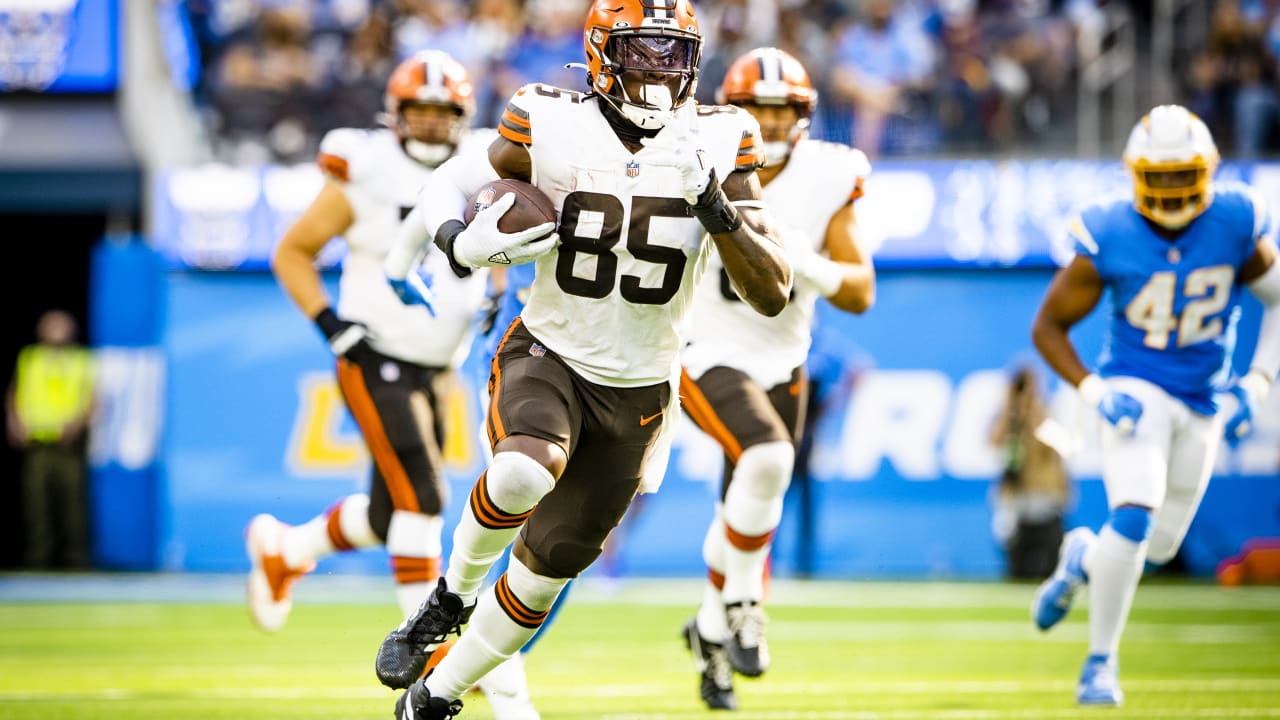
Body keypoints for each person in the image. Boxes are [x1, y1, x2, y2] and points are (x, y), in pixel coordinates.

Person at [377, 0, 793, 715]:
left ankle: (435, 696)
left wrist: (715, 205)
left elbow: (771, 290)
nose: (661, 69)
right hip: (552, 349)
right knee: (518, 470)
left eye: (674, 51)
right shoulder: (549, 118)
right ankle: (450, 596)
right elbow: (448, 179)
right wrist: (453, 241)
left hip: (642, 386)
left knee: (544, 576)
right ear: (602, 53)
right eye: (643, 50)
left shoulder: (722, 138)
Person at [244, 49, 540, 719]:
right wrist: (332, 325)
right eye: (421, 111)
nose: (433, 125)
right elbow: (292, 252)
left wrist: (496, 290)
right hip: (373, 353)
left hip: (435, 367)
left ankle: (286, 549)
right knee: (426, 500)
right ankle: (427, 657)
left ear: (461, 117)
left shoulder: (482, 167)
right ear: (396, 114)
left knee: (390, 512)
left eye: (444, 113)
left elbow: (501, 242)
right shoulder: (366, 167)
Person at [1029, 103, 1280, 707]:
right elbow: (1049, 327)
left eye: (1181, 175)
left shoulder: (1237, 219)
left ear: (1207, 172)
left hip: (1203, 399)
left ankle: (1086, 556)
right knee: (1135, 515)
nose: (1169, 189)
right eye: (1157, 175)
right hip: (1135, 389)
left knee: (1159, 548)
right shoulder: (1109, 229)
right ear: (1135, 174)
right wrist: (1095, 392)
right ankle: (1100, 664)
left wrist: (1258, 383)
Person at [675, 47, 875, 711]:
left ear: (804, 116)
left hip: (784, 356)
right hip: (704, 345)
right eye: (754, 107)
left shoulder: (830, 173)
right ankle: (743, 605)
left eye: (779, 108)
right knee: (767, 457)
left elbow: (860, 290)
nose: (766, 119)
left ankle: (709, 636)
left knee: (746, 503)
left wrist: (802, 262)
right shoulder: (695, 148)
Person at [5, 309, 96, 569]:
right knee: (37, 505)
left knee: (73, 506)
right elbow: (14, 392)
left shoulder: (81, 360)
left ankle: (77, 563)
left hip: (68, 445)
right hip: (37, 442)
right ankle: (38, 562)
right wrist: (14, 422)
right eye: (51, 326)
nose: (56, 331)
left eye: (62, 326)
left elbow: (93, 398)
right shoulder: (30, 358)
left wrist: (77, 426)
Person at [987, 365, 1069, 580]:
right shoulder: (1008, 419)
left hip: (1044, 498)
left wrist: (1034, 411)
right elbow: (994, 442)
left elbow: (1053, 447)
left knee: (1051, 565)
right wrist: (1009, 410)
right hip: (1016, 499)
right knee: (1017, 566)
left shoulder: (1046, 414)